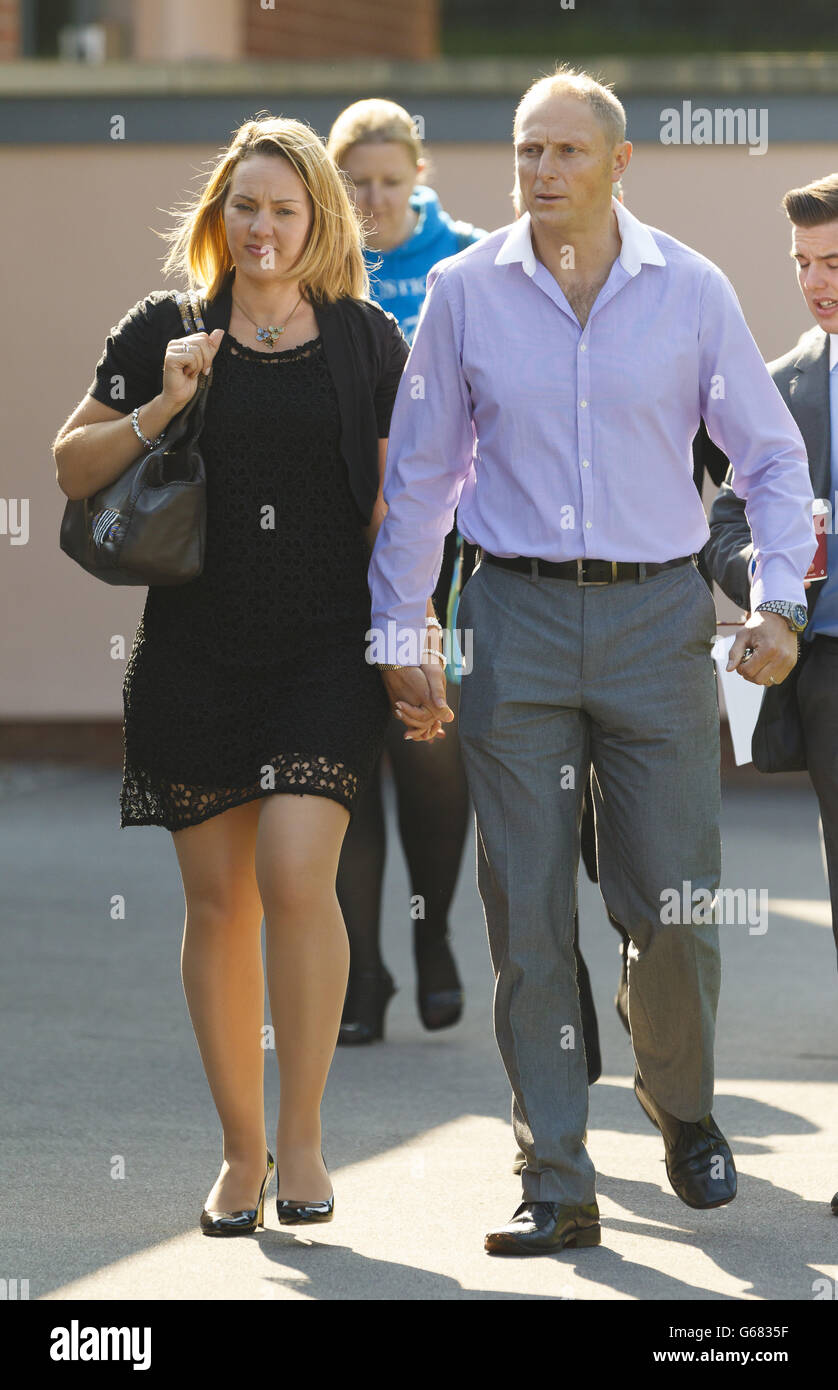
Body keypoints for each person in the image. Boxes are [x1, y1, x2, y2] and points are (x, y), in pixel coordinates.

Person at [367, 65, 815, 1255]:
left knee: (671, 902)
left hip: (657, 621)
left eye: (567, 152)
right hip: (511, 620)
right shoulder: (463, 292)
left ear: (619, 165)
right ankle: (554, 1170)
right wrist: (399, 628)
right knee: (523, 915)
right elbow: (421, 474)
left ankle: (683, 1105)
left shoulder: (690, 290)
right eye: (527, 151)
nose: (543, 172)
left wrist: (778, 601)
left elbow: (769, 462)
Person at [52, 115, 420, 1234]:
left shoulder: (365, 340)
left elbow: (395, 511)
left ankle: (303, 1143)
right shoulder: (165, 325)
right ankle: (239, 1152)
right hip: (194, 654)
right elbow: (71, 464)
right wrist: (162, 401)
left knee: (299, 880)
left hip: (322, 650)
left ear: (320, 223)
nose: (261, 228)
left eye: (284, 210)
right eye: (244, 207)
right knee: (219, 905)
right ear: (219, 214)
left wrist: (415, 643)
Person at [325, 99, 485, 1041]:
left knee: (429, 743)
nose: (376, 200)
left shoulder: (469, 260)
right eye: (358, 184)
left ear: (419, 177)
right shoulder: (316, 265)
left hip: (444, 543)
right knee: (342, 757)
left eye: (391, 181)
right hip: (330, 540)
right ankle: (362, 974)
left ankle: (431, 938)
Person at [705, 171, 838, 1218]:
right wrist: (773, 589)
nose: (814, 284)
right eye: (801, 265)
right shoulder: (784, 383)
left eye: (833, 262)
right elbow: (718, 522)